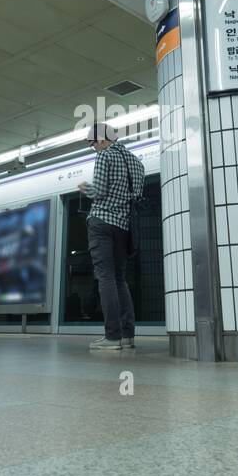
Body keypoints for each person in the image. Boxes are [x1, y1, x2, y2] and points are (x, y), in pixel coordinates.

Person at [78, 122, 145, 351]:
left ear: (102, 139)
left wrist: (84, 188)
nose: (94, 148)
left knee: (105, 277)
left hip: (102, 223)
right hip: (125, 226)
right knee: (119, 278)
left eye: (93, 143)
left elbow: (100, 191)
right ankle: (127, 336)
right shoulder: (137, 163)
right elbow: (136, 196)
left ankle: (112, 337)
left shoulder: (105, 156)